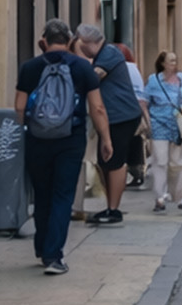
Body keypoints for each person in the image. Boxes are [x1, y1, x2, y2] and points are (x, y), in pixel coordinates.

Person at [15, 20, 112, 274]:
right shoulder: (83, 68)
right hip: (71, 138)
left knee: (42, 193)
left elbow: (19, 107)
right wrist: (106, 139)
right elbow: (98, 108)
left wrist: (27, 129)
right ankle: (54, 255)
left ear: (43, 41)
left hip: (37, 138)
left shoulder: (29, 67)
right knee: (63, 195)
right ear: (70, 41)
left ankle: (42, 247)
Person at [74, 25, 140, 226]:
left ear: (89, 43)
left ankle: (114, 209)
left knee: (116, 161)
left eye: (82, 46)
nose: (82, 51)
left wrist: (76, 53)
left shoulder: (109, 54)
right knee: (105, 161)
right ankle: (111, 206)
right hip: (113, 116)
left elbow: (91, 79)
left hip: (122, 116)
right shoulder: (104, 54)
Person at [143, 51, 182, 212]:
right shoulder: (154, 80)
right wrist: (148, 123)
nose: (174, 63)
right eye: (171, 61)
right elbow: (144, 102)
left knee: (178, 162)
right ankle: (160, 197)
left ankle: (178, 195)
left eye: (175, 60)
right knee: (160, 161)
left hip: (179, 123)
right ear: (163, 64)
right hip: (159, 122)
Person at [118, 43, 148, 190]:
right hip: (135, 110)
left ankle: (128, 174)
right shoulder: (134, 68)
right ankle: (138, 173)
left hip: (123, 110)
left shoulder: (121, 68)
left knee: (123, 144)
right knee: (135, 142)